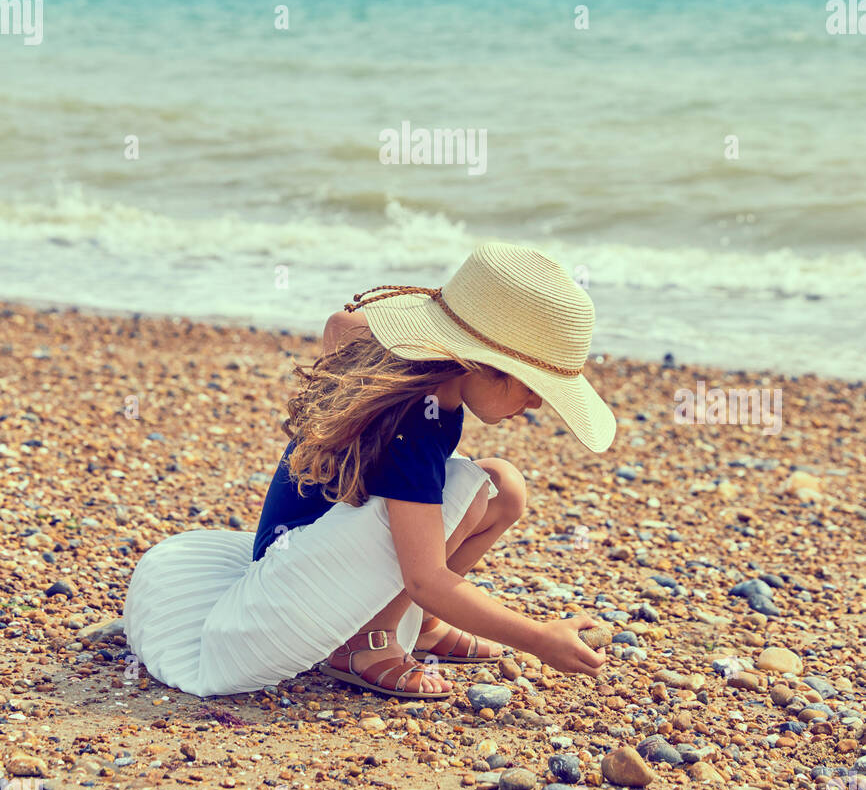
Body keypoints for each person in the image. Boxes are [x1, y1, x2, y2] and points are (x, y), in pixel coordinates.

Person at [122, 241, 617, 699]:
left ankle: (419, 626)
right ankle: (365, 647)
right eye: (532, 386)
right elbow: (425, 578)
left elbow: (340, 323)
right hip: (287, 596)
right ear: (476, 361)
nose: (533, 405)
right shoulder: (415, 424)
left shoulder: (391, 364)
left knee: (504, 487)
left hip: (294, 548)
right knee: (468, 484)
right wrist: (539, 639)